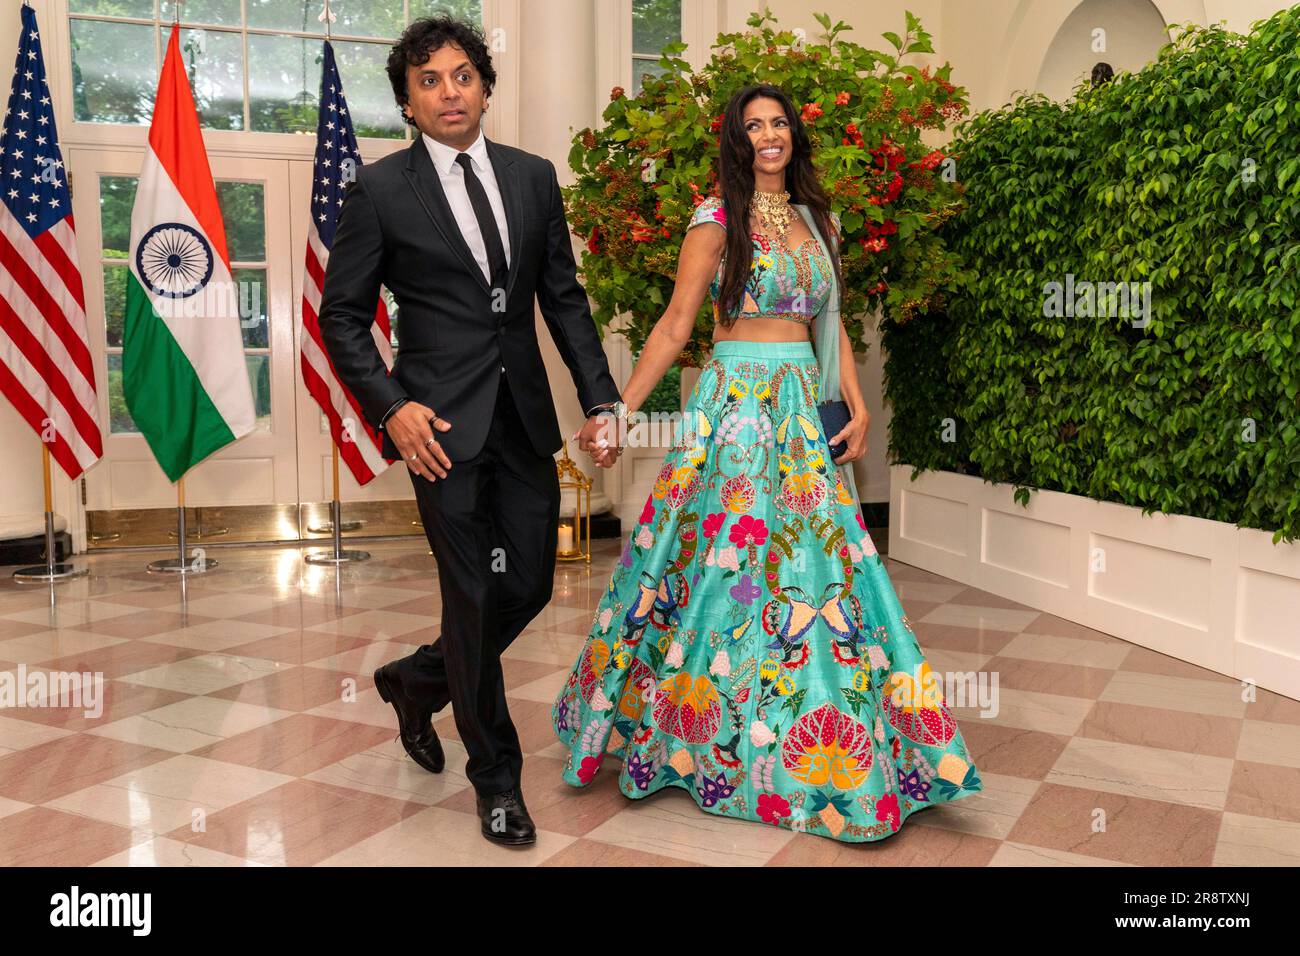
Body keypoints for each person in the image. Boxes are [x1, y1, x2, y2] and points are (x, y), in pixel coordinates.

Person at [551, 84, 984, 842]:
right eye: (752, 126)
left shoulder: (823, 222)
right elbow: (677, 322)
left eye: (778, 122)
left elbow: (831, 323)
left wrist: (856, 402)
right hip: (735, 407)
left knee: (825, 567)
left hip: (798, 406)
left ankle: (823, 742)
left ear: (794, 134)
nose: (768, 135)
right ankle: (702, 738)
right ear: (736, 141)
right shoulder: (714, 218)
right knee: (717, 563)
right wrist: (618, 407)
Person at [318, 15, 623, 846]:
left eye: (461, 75)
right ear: (409, 104)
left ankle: (417, 682)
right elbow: (341, 317)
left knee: (523, 583)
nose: (449, 91)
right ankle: (497, 780)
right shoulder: (380, 191)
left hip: (523, 419)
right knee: (472, 591)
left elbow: (563, 299)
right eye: (429, 81)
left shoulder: (533, 179)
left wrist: (600, 399)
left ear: (484, 86)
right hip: (437, 431)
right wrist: (391, 404)